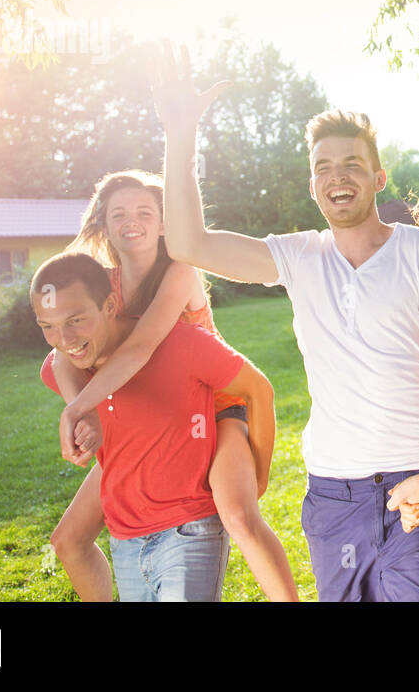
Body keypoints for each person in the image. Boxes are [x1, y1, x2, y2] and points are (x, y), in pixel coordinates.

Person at [149, 52, 419, 602]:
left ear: (377, 177)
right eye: (322, 167)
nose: (336, 176)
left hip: (413, 482)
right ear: (312, 184)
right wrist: (181, 135)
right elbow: (188, 244)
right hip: (333, 496)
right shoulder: (299, 256)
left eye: (351, 164)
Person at [47, 171, 298, 602]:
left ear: (164, 223)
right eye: (119, 213)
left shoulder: (180, 272)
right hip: (149, 420)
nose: (133, 220)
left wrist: (82, 406)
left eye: (145, 212)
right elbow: (58, 357)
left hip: (214, 408)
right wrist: (83, 408)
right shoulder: (101, 285)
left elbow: (141, 346)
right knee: (68, 541)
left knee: (238, 514)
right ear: (104, 224)